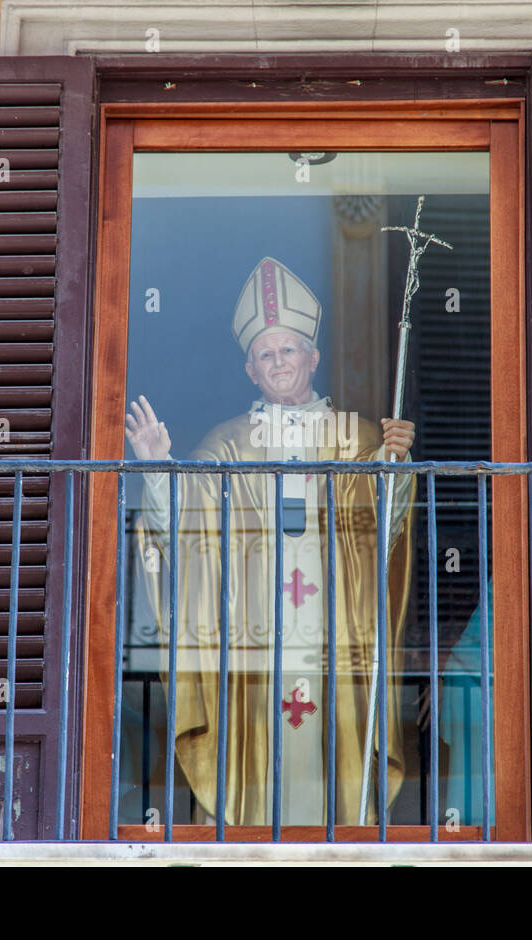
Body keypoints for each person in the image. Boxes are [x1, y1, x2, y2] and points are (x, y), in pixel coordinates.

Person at [126, 255, 417, 826]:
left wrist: (397, 468)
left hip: (336, 636)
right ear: (250, 371)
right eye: (266, 354)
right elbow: (187, 539)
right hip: (253, 645)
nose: (278, 362)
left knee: (336, 753)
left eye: (288, 350)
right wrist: (158, 467)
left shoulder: (358, 436)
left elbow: (384, 538)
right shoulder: (226, 444)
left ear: (312, 357)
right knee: (261, 765)